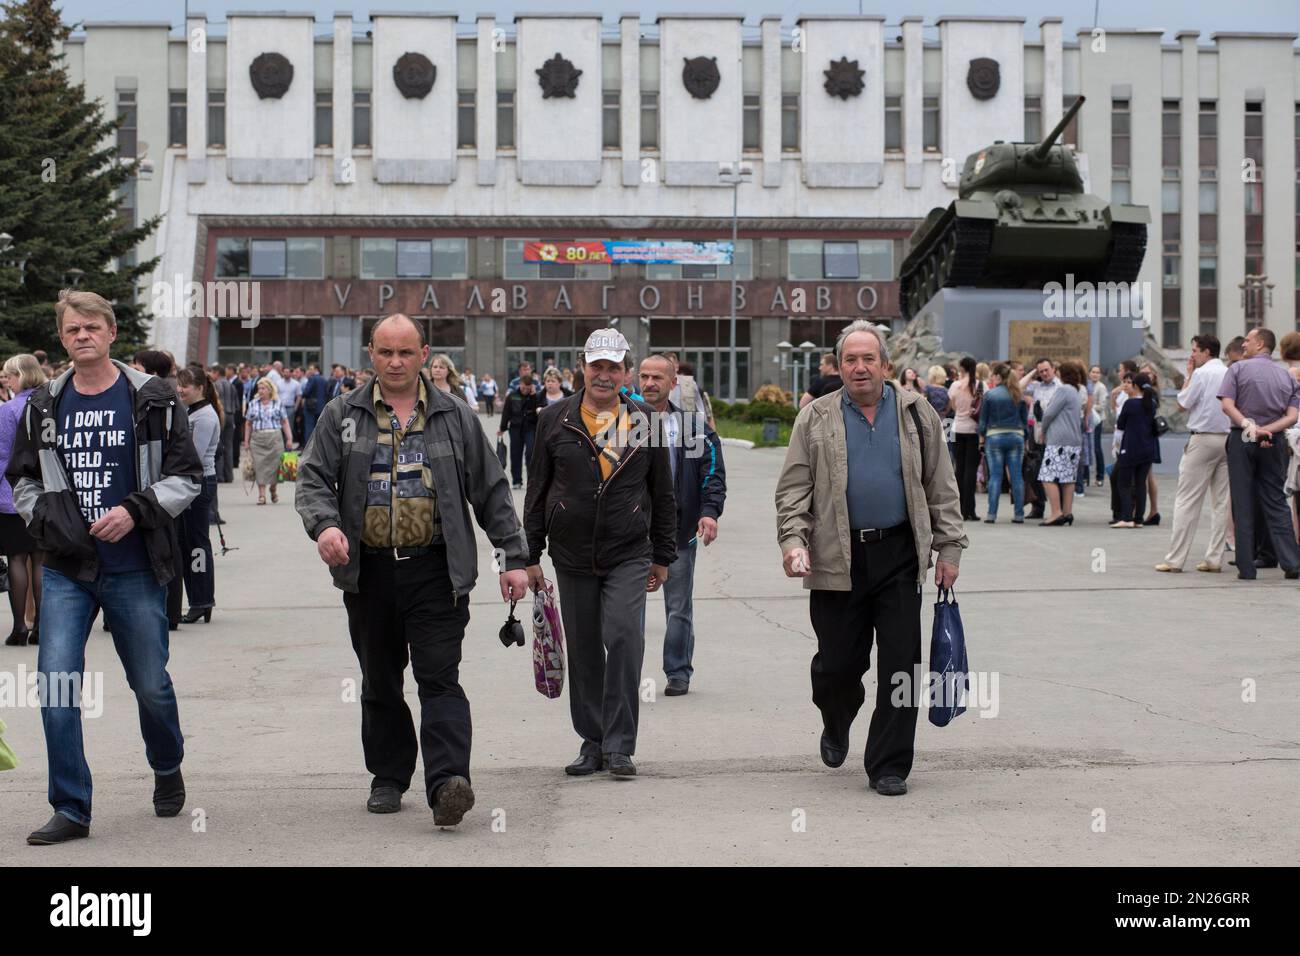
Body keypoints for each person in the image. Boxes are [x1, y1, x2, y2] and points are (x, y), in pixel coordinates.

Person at [295, 313, 530, 827]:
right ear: (371, 355)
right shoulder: (343, 414)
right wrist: (325, 526)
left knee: (439, 678)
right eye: (385, 352)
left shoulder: (455, 415)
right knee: (380, 680)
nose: (396, 362)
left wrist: (514, 559)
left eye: (406, 352)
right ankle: (388, 776)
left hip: (436, 571)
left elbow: (491, 491)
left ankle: (448, 781)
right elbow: (312, 478)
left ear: (425, 355)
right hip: (369, 574)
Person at [5, 289, 201, 844]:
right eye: (73, 330)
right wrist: (48, 518)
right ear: (62, 340)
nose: (83, 336)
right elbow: (23, 479)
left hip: (136, 566)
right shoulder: (43, 404)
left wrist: (134, 512)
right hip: (68, 568)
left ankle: (167, 765)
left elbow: (186, 478)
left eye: (92, 326)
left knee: (150, 685)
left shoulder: (153, 398)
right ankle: (71, 807)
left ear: (112, 333)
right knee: (57, 684)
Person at [775, 320, 967, 797]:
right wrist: (792, 540)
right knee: (837, 666)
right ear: (838, 367)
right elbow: (794, 488)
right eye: (849, 360)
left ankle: (888, 764)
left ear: (886, 365)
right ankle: (836, 720)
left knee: (902, 663)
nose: (859, 368)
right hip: (836, 557)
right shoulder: (814, 417)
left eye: (868, 359)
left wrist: (949, 546)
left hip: (901, 554)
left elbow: (940, 484)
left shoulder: (916, 412)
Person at [523, 328, 676, 778]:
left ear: (626, 372)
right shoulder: (554, 419)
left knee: (625, 638)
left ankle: (621, 744)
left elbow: (662, 494)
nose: (604, 375)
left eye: (614, 367)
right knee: (586, 648)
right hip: (570, 554)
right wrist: (530, 554)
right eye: (597, 366)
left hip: (628, 551)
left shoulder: (645, 421)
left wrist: (662, 555)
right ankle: (593, 741)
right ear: (582, 368)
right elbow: (537, 490)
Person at [638, 353, 727, 696]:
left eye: (657, 377)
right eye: (644, 376)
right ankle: (626, 672)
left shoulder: (691, 428)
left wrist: (708, 511)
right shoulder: (623, 425)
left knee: (678, 608)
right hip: (631, 536)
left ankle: (678, 671)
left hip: (677, 534)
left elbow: (713, 471)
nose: (649, 383)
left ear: (673, 383)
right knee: (629, 613)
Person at [1217, 327, 1300, 580]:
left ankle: (1247, 566)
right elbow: (1293, 415)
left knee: (1242, 501)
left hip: (1242, 437)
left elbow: (1226, 404)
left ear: (1261, 343)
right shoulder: (1286, 377)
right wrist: (1267, 430)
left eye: (1249, 341)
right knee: (1276, 500)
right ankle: (1292, 562)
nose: (1244, 345)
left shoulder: (1237, 369)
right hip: (1274, 441)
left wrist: (1249, 427)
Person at [1153, 336, 1230, 572]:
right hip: (1228, 439)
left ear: (1206, 352)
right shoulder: (1229, 372)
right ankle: (1214, 558)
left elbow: (1183, 403)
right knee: (1222, 502)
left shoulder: (1201, 373)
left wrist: (1188, 375)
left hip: (1203, 438)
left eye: (1195, 350)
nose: (1192, 355)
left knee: (1187, 499)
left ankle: (1175, 559)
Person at [0, 355, 48, 645]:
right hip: (45, 493)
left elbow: (3, 455)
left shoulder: (9, 409)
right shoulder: (48, 403)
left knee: (17, 558)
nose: (7, 381)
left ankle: (20, 626)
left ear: (21, 375)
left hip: (12, 493)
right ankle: (41, 626)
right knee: (40, 560)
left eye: (9, 375)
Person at [173, 367, 221, 623]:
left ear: (200, 388)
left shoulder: (203, 416)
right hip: (193, 483)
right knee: (189, 543)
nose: (180, 390)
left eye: (185, 386)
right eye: (179, 385)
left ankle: (201, 600)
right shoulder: (194, 411)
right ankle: (199, 600)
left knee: (196, 545)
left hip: (198, 483)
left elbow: (195, 455)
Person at [977, 362, 1027, 524]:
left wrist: (982, 437)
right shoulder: (1018, 395)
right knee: (1017, 476)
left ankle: (992, 514)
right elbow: (1025, 422)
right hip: (1016, 437)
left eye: (993, 375)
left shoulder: (990, 395)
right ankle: (1019, 514)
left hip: (995, 437)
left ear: (998, 376)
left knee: (995, 476)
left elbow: (983, 422)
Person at [1036, 361, 1084, 526]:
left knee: (1047, 476)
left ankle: (1056, 512)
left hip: (1059, 440)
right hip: (1074, 440)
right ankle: (1067, 512)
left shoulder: (1063, 390)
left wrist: (1042, 430)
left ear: (1061, 374)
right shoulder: (1076, 391)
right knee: (1068, 478)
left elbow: (1049, 413)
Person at [1111, 373, 1159, 528]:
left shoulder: (1130, 404)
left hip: (1130, 448)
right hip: (1147, 448)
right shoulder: (1151, 403)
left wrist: (1117, 446)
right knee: (1140, 484)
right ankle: (1138, 518)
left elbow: (1121, 425)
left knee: (1123, 483)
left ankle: (1126, 517)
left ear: (1136, 386)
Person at [243, 377, 294, 505]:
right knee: (259, 466)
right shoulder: (253, 403)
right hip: (258, 439)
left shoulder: (277, 403)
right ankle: (262, 495)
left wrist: (289, 438)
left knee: (275, 467)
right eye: (259, 388)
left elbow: (284, 421)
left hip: (275, 438)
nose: (260, 391)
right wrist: (246, 441)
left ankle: (273, 488)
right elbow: (248, 423)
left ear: (270, 390)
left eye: (263, 388)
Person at [948, 356, 983, 521]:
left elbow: (953, 406)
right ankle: (970, 509)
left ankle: (960, 509)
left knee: (959, 469)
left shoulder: (955, 385)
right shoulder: (980, 385)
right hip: (974, 430)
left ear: (962, 368)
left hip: (958, 428)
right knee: (971, 470)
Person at [498, 375, 539, 489]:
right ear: (520, 384)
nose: (525, 390)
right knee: (515, 454)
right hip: (515, 428)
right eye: (524, 387)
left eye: (528, 388)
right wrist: (502, 428)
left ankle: (531, 481)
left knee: (531, 452)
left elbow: (538, 411)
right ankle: (517, 480)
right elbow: (506, 413)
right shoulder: (512, 396)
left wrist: (533, 396)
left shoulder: (534, 396)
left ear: (531, 386)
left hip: (530, 428)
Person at [1087, 365, 1108, 487]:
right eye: (1093, 372)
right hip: (1087, 419)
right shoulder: (1087, 385)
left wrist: (1090, 405)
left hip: (1097, 420)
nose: (1095, 374)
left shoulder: (1101, 387)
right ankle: (1085, 477)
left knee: (1096, 447)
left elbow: (1102, 406)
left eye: (1097, 372)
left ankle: (1100, 476)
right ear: (1089, 373)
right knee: (1086, 447)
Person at [300, 364, 328, 445]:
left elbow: (306, 392)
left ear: (316, 369)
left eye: (310, 369)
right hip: (321, 406)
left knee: (309, 428)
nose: (309, 370)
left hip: (310, 407)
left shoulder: (312, 378)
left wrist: (304, 394)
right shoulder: (324, 379)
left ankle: (308, 447)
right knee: (319, 428)